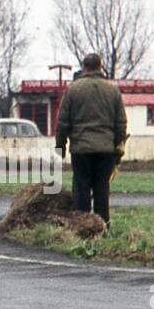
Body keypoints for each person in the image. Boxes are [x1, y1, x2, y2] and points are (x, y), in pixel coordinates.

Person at [54, 53, 127, 225]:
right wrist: (118, 146)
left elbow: (63, 122)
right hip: (105, 149)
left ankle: (82, 226)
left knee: (81, 188)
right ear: (100, 66)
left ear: (84, 67)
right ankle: (102, 225)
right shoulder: (112, 90)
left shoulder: (73, 90)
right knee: (102, 188)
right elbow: (121, 123)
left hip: (81, 149)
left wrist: (60, 146)